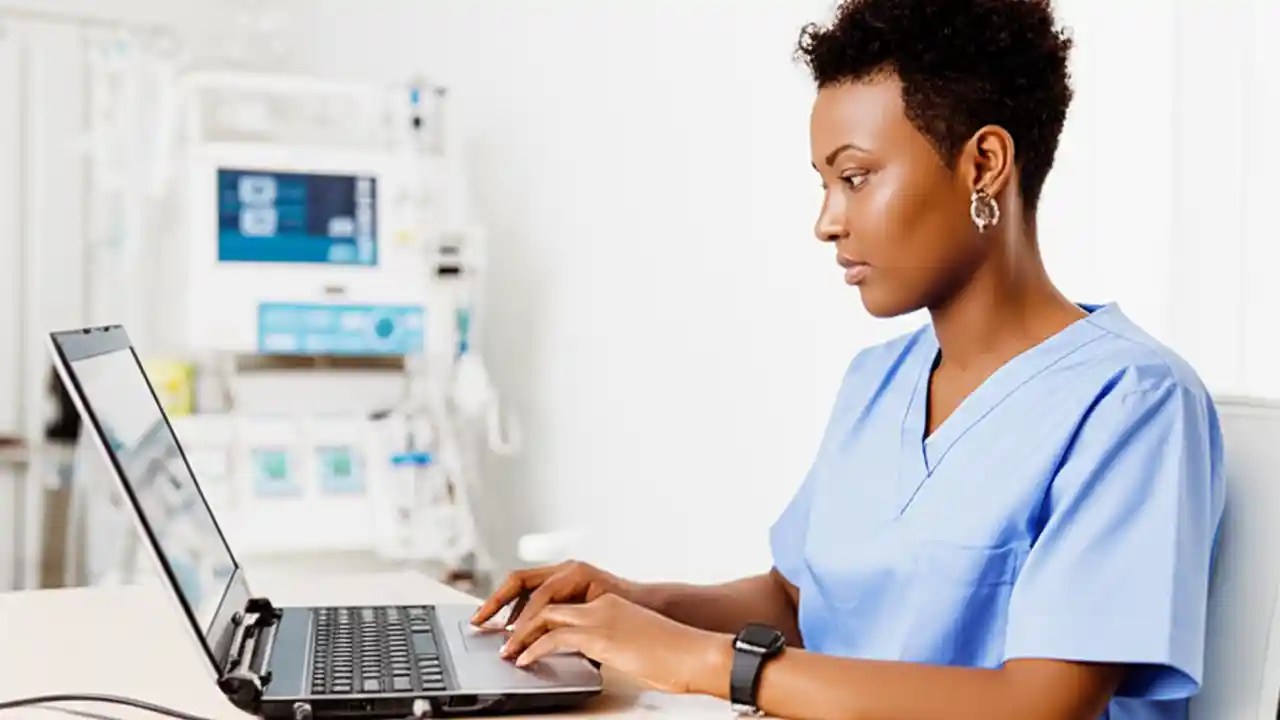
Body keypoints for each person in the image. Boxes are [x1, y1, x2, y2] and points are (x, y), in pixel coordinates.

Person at [471, 1, 1225, 718]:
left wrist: (701, 661)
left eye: (856, 177)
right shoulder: (879, 381)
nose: (828, 222)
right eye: (825, 184)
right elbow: (801, 602)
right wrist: (638, 605)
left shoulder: (1133, 401)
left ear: (984, 164)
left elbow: (1039, 705)